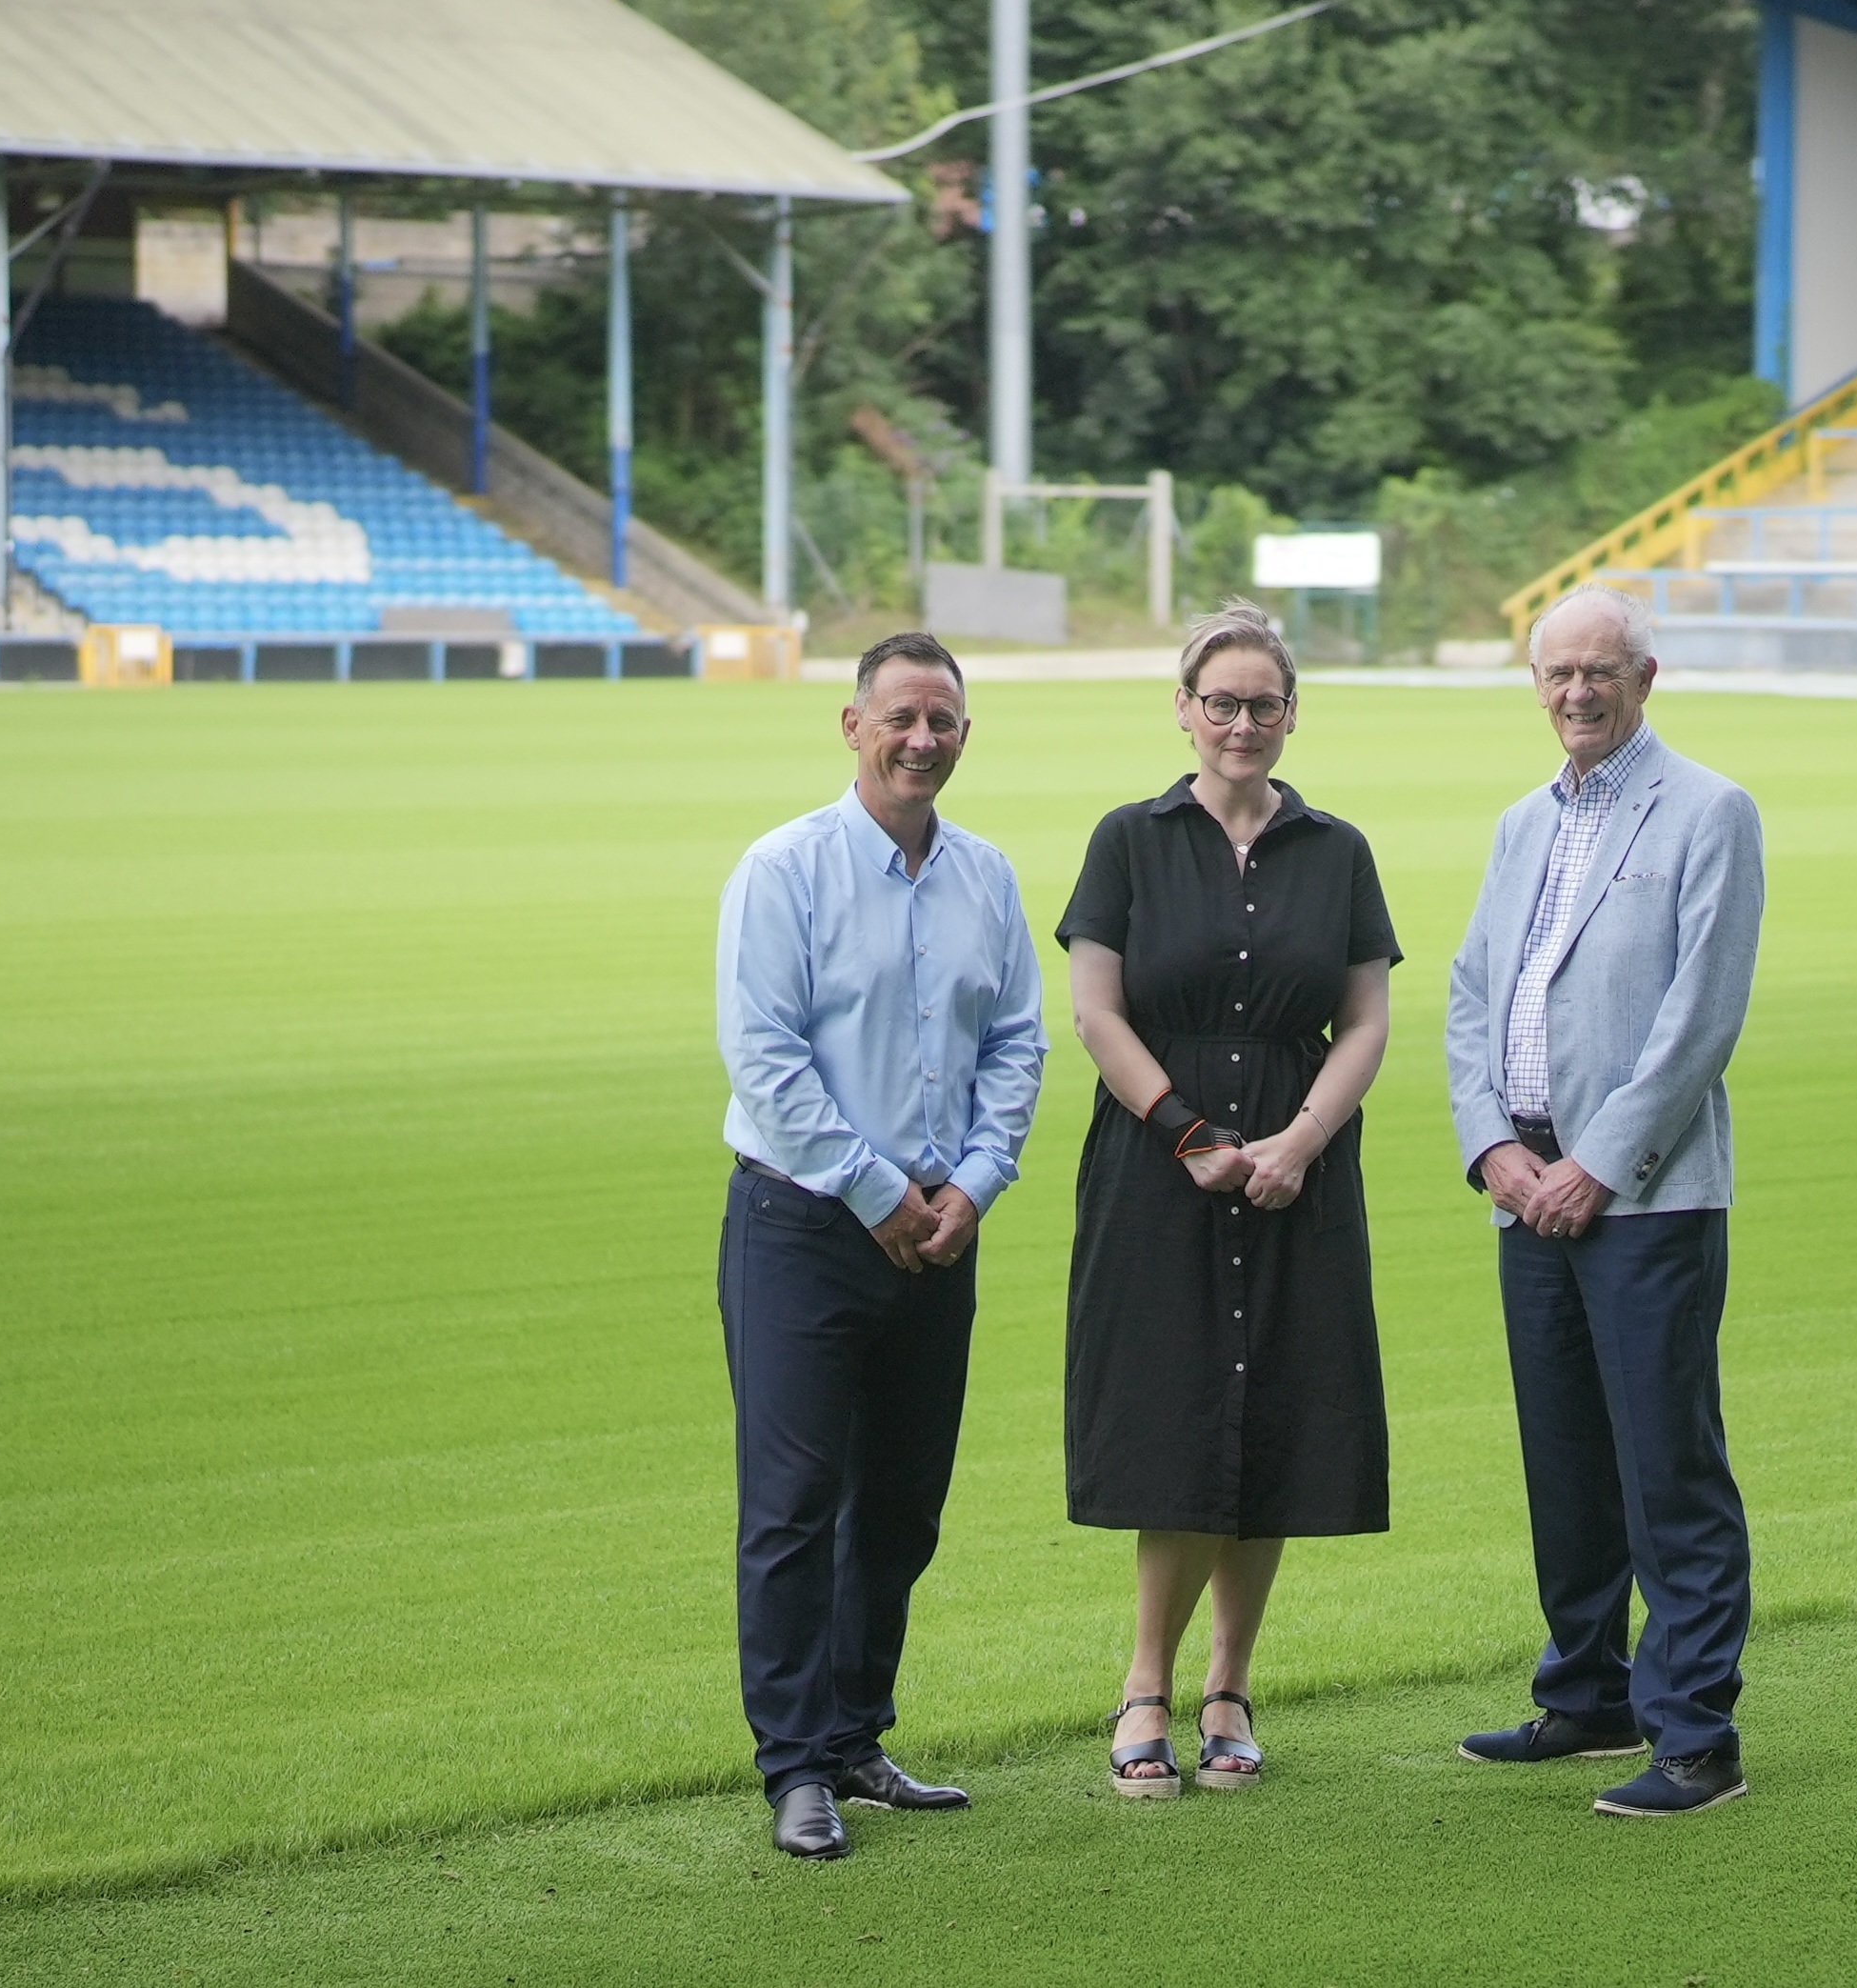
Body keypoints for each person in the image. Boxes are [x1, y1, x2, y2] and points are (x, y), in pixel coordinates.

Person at [713, 632, 1048, 1860]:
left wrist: (972, 1183)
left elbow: (1016, 1043)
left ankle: (856, 1731)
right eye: (900, 716)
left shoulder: (987, 876)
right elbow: (767, 1057)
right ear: (852, 727)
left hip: (940, 1226)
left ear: (966, 734)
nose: (922, 739)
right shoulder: (784, 867)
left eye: (944, 720)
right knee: (795, 1505)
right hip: (803, 1224)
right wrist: (879, 1195)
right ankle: (794, 1762)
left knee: (901, 1500)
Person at [1056, 602, 1399, 1797]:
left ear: (1291, 713)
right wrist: (1190, 1133)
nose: (1242, 722)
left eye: (1264, 704)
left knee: (1276, 1423)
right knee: (1176, 1416)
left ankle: (1230, 1685)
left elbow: (1363, 1020)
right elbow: (1098, 1010)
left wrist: (1300, 1140)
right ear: (1184, 709)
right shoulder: (1127, 838)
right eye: (1222, 701)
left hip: (1300, 1170)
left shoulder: (1337, 850)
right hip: (1160, 1168)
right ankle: (1145, 1682)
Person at [1444, 584, 1766, 1819]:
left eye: (1600, 670)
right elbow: (1476, 993)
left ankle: (1696, 1734)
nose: (1577, 691)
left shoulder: (1707, 811)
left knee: (1666, 1466)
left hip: (1646, 1199)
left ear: (1645, 675)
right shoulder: (1525, 819)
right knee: (1565, 1457)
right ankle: (1587, 1690)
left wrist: (1597, 1160)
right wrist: (1495, 1152)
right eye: (1556, 673)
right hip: (1527, 1191)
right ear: (1535, 683)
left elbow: (1701, 1018)